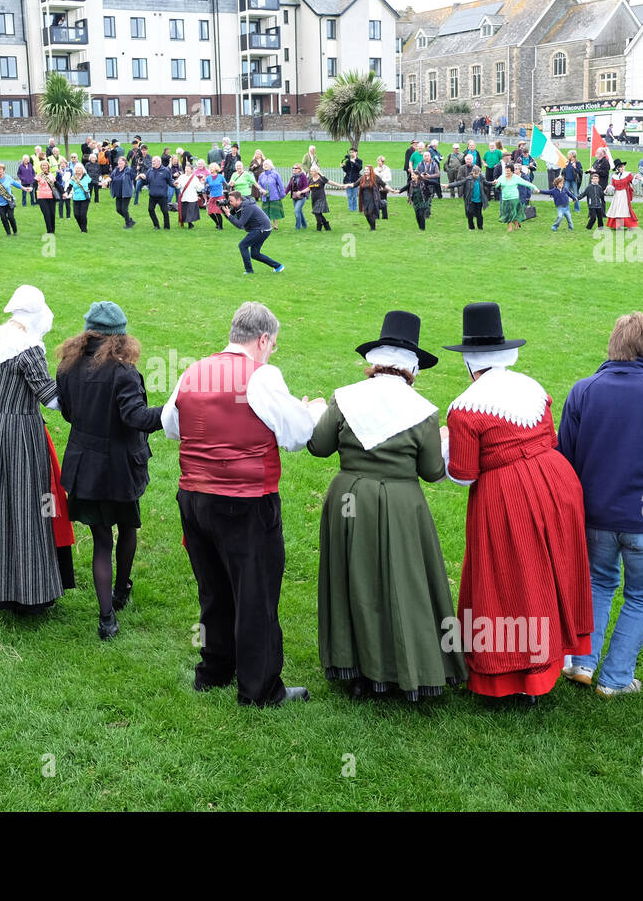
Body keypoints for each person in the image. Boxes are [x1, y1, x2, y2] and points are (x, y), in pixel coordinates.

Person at [162, 302, 326, 706]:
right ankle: (259, 689)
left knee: (214, 588)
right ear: (263, 339)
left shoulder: (194, 369)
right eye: (272, 345)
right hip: (245, 500)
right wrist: (311, 410)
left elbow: (171, 425)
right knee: (255, 594)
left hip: (194, 497)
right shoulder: (261, 375)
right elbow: (297, 435)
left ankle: (214, 671)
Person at [307, 310, 466, 701]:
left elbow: (319, 446)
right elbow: (432, 471)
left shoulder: (345, 398)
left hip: (350, 498)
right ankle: (405, 670)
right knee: (404, 583)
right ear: (412, 367)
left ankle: (359, 670)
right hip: (401, 503)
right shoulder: (423, 411)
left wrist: (313, 413)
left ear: (375, 361)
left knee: (355, 581)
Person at [441, 302, 592, 702]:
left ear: (471, 362)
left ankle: (513, 674)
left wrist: (444, 445)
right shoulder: (534, 387)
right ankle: (551, 660)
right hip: (557, 482)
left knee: (511, 576)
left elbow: (463, 473)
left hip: (507, 494)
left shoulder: (464, 408)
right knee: (551, 569)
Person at [557, 312, 643, 696]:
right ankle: (617, 679)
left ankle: (582, 664)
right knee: (642, 596)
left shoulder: (582, 389)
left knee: (598, 584)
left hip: (595, 515)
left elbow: (564, 457)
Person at [0, 285, 75, 611]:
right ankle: (28, 593)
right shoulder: (28, 348)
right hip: (21, 429)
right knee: (27, 504)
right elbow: (51, 400)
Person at [54, 301, 162, 637]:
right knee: (127, 529)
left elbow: (68, 414)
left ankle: (106, 621)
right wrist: (173, 412)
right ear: (120, 336)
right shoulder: (123, 372)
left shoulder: (67, 367)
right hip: (119, 469)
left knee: (102, 541)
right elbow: (136, 417)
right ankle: (120, 593)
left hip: (85, 466)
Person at [224, 190, 283, 275]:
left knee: (242, 245)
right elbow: (232, 218)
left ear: (239, 200)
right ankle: (278, 266)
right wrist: (225, 212)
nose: (230, 203)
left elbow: (239, 225)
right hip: (261, 229)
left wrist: (229, 215)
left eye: (231, 201)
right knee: (255, 254)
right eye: (229, 201)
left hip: (261, 229)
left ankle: (249, 270)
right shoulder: (240, 205)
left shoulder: (247, 207)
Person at [497, 163, 537, 233]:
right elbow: (497, 184)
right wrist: (495, 183)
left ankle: (510, 227)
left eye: (508, 171)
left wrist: (534, 187)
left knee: (512, 213)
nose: (507, 172)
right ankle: (516, 224)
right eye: (506, 171)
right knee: (506, 213)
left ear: (512, 171)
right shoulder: (502, 177)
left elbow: (526, 183)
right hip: (505, 198)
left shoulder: (516, 178)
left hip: (514, 198)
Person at [604, 160, 638, 230]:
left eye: (623, 166)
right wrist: (608, 188)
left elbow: (633, 182)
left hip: (624, 194)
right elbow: (613, 186)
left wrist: (636, 178)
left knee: (624, 209)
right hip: (617, 195)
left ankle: (630, 225)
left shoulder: (628, 174)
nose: (622, 168)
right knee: (616, 209)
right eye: (620, 167)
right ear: (617, 168)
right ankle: (618, 225)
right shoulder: (614, 176)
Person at [455, 164, 487, 230]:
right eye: (475, 174)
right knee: (470, 214)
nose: (476, 175)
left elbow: (487, 183)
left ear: (480, 173)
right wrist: (448, 185)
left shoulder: (481, 178)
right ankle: (471, 227)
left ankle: (480, 227)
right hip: (471, 200)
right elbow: (459, 183)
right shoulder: (468, 179)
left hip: (479, 200)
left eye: (478, 174)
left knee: (479, 215)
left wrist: (493, 183)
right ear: (472, 173)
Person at [0, 163, 20, 236]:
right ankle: (8, 233)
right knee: (3, 218)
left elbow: (15, 183)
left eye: (0, 169)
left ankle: (15, 231)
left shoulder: (8, 178)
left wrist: (24, 188)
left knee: (10, 217)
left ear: (3, 170)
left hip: (9, 201)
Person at [109, 156, 137, 229]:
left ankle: (128, 224)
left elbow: (135, 177)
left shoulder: (128, 170)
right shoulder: (116, 170)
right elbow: (111, 177)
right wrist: (105, 181)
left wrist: (140, 175)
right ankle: (130, 220)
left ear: (125, 163)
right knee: (118, 209)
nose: (119, 163)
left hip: (126, 193)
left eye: (121, 162)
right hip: (118, 193)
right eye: (119, 162)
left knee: (124, 209)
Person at [258, 159, 286, 230]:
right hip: (265, 196)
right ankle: (268, 224)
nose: (265, 166)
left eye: (267, 164)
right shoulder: (261, 175)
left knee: (274, 211)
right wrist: (261, 191)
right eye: (264, 165)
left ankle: (275, 225)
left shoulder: (275, 174)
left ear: (271, 166)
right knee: (265, 211)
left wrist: (282, 194)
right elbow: (259, 185)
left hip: (274, 196)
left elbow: (281, 185)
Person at [32, 159, 58, 234]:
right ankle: (49, 230)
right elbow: (34, 183)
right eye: (43, 165)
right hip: (42, 197)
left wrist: (63, 192)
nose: (44, 167)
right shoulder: (39, 175)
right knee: (46, 214)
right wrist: (31, 187)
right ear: (41, 167)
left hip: (51, 197)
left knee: (52, 214)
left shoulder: (51, 175)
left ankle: (53, 230)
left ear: (48, 166)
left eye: (45, 165)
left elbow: (56, 184)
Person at [68, 162, 92, 233]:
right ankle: (81, 227)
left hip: (85, 198)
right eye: (77, 168)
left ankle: (84, 229)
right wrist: (66, 192)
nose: (78, 170)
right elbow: (70, 187)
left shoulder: (86, 176)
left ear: (82, 169)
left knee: (82, 214)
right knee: (76, 215)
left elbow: (91, 183)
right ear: (75, 169)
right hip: (76, 198)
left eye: (80, 168)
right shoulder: (73, 177)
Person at [287, 163, 310, 230]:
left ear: (299, 169)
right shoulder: (293, 177)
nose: (294, 169)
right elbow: (288, 186)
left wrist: (300, 192)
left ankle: (297, 227)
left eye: (295, 168)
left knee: (296, 211)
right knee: (299, 211)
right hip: (294, 197)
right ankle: (304, 225)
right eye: (293, 168)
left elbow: (306, 186)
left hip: (302, 197)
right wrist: (283, 194)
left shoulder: (303, 176)